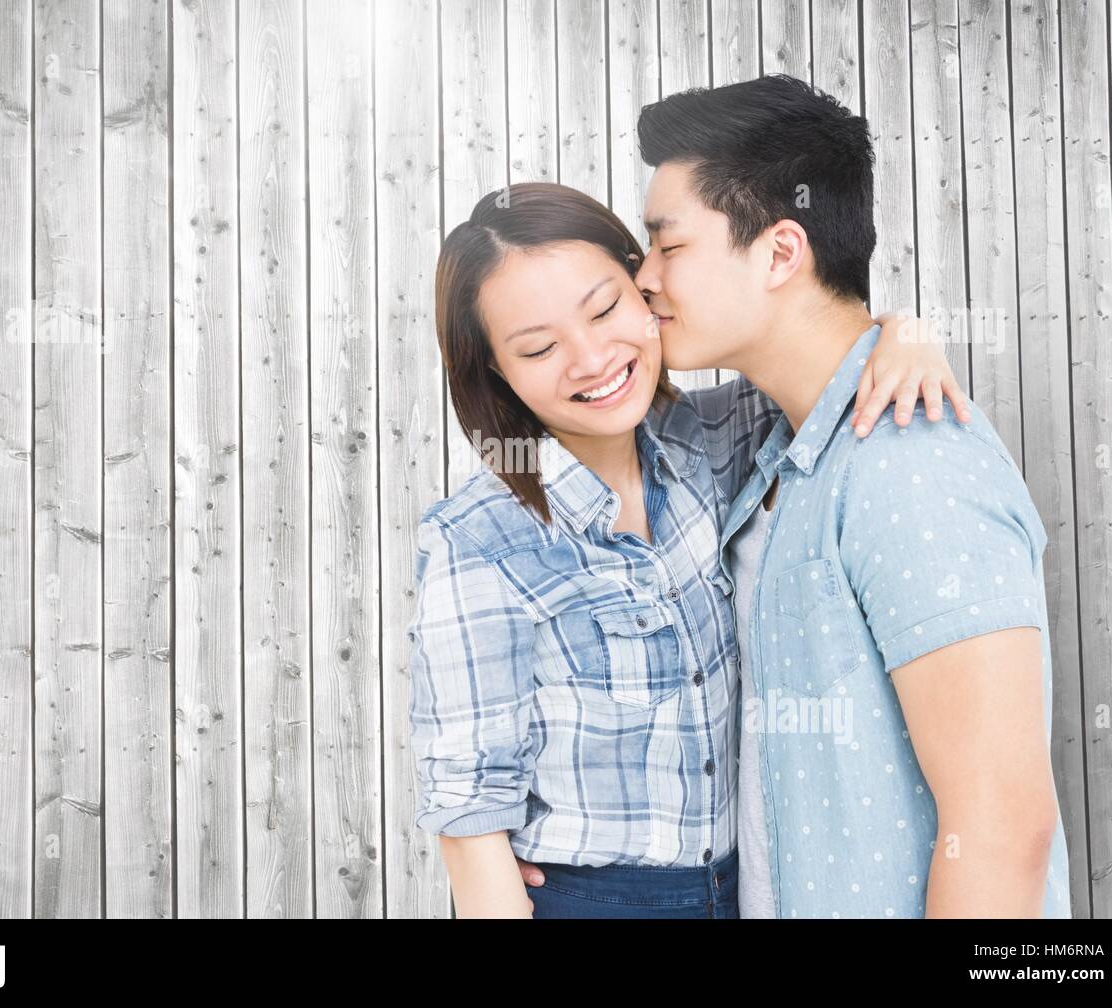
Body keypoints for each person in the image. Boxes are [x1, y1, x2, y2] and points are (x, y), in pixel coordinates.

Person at [407, 180, 968, 918]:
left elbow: (823, 353)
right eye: (538, 347)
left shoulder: (716, 435)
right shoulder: (478, 539)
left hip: (745, 889)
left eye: (605, 308)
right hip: (590, 897)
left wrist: (908, 332)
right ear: (494, 371)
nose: (590, 358)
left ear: (647, 286)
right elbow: (470, 812)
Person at [626, 73, 1071, 917]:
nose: (645, 278)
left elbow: (1004, 826)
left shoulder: (911, 459)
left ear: (782, 252)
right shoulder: (779, 442)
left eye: (668, 246)